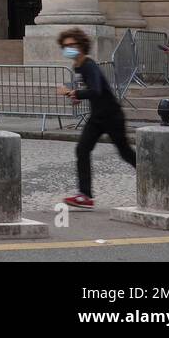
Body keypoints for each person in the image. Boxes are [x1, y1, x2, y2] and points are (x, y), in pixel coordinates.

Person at [56, 28, 136, 209]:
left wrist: (71, 92)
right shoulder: (77, 66)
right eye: (65, 46)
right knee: (82, 150)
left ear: (81, 45)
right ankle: (85, 196)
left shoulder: (89, 65)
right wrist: (76, 96)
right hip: (97, 116)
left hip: (112, 115)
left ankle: (152, 174)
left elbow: (96, 90)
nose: (68, 48)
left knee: (125, 152)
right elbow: (91, 92)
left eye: (71, 45)